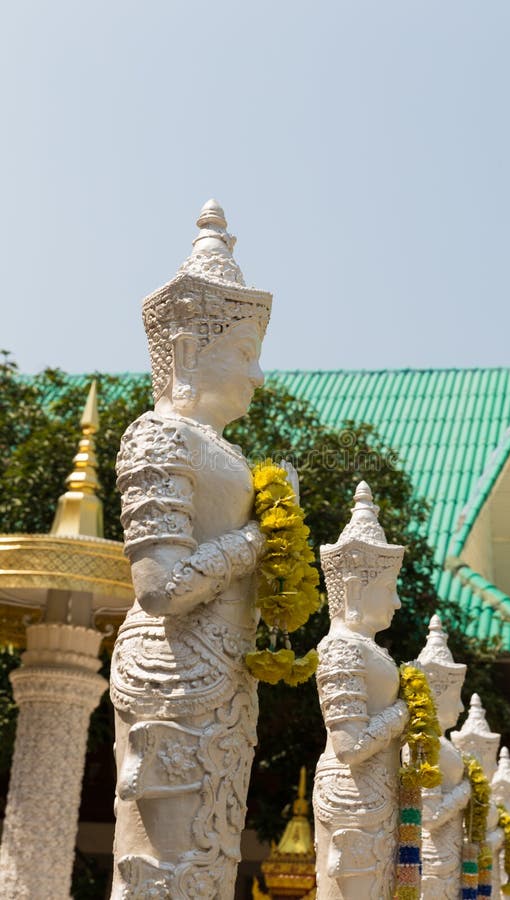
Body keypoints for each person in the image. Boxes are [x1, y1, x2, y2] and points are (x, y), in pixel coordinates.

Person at [109, 200, 272, 899]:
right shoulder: (156, 435)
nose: (257, 377)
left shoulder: (225, 452)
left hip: (224, 677)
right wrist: (251, 543)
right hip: (169, 674)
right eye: (243, 355)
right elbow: (159, 586)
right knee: (163, 871)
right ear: (184, 352)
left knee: (209, 865)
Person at [313, 482, 407, 900]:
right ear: (354, 588)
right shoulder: (340, 648)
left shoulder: (365, 648)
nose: (398, 602)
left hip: (376, 792)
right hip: (351, 794)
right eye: (389, 588)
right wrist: (403, 714)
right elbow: (349, 743)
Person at [418, 614, 470, 899]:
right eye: (456, 696)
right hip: (431, 858)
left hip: (448, 858)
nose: (461, 707)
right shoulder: (424, 743)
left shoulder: (442, 745)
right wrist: (464, 792)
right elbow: (430, 814)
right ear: (437, 694)